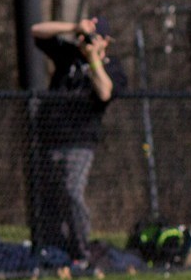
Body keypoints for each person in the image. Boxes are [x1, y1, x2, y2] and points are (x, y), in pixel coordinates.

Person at [29, 17, 125, 264]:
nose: (86, 42)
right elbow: (36, 31)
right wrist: (74, 28)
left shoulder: (112, 67)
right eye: (85, 38)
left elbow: (104, 92)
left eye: (94, 38)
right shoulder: (68, 56)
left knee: (72, 192)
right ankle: (53, 252)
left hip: (80, 141)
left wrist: (93, 58)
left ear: (106, 42)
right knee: (48, 198)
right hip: (50, 137)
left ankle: (81, 253)